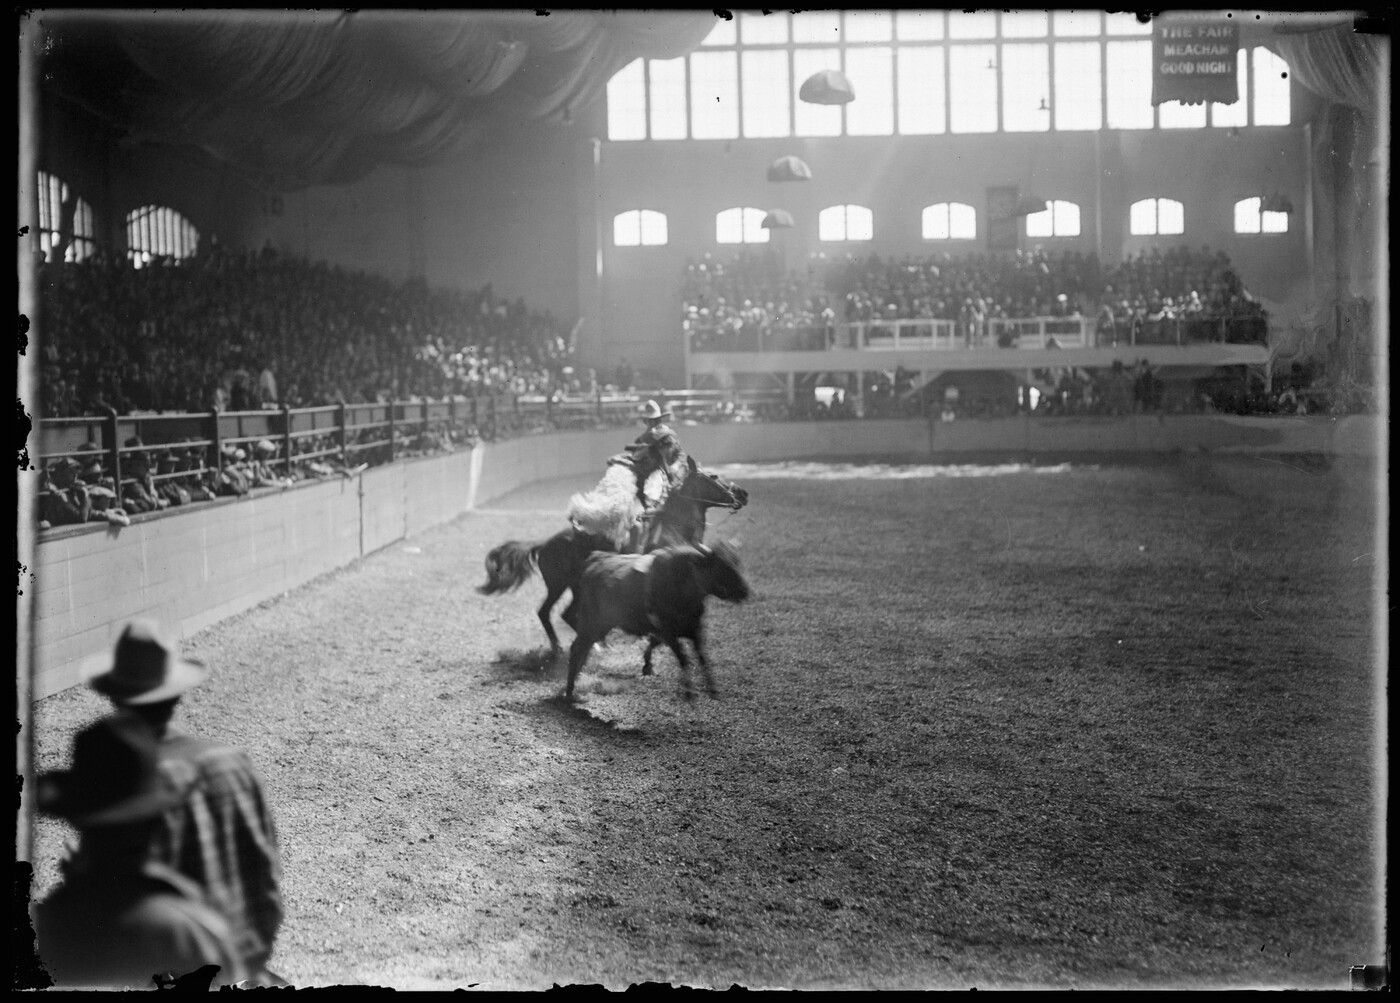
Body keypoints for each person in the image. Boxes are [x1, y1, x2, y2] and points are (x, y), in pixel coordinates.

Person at [84, 620, 287, 986]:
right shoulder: (233, 761)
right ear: (176, 696)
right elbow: (266, 870)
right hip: (244, 956)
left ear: (115, 699)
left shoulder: (125, 787)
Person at [32, 713, 248, 989]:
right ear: (154, 824)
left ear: (76, 820)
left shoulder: (42, 929)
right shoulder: (191, 933)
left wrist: (81, 885)